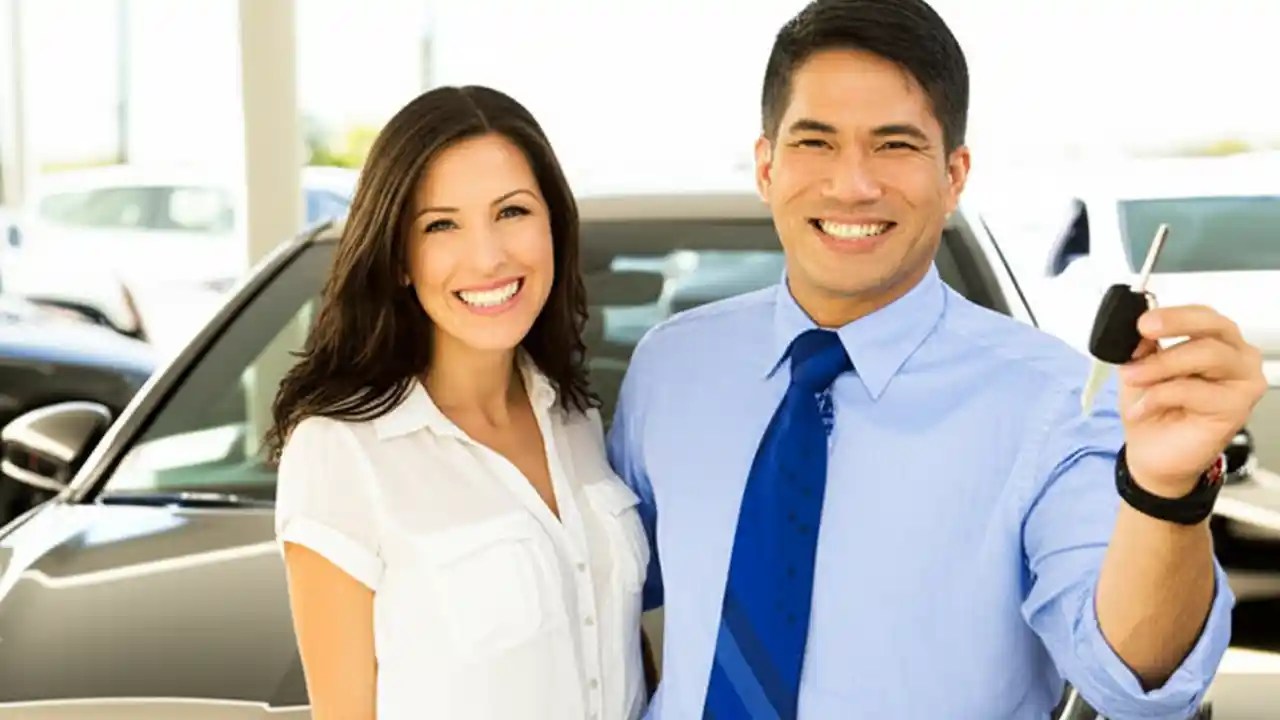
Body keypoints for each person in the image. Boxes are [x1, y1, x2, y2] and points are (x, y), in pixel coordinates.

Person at [606, 1, 1267, 718]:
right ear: (767, 165)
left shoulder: (1055, 404)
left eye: (894, 145)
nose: (853, 184)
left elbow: (1138, 684)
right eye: (815, 142)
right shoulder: (672, 368)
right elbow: (594, 587)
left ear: (954, 174)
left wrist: (1166, 495)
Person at [267, 85, 651, 720]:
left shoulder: (576, 417)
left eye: (513, 212)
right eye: (441, 224)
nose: (488, 256)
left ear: (554, 223)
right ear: (398, 259)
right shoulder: (341, 451)